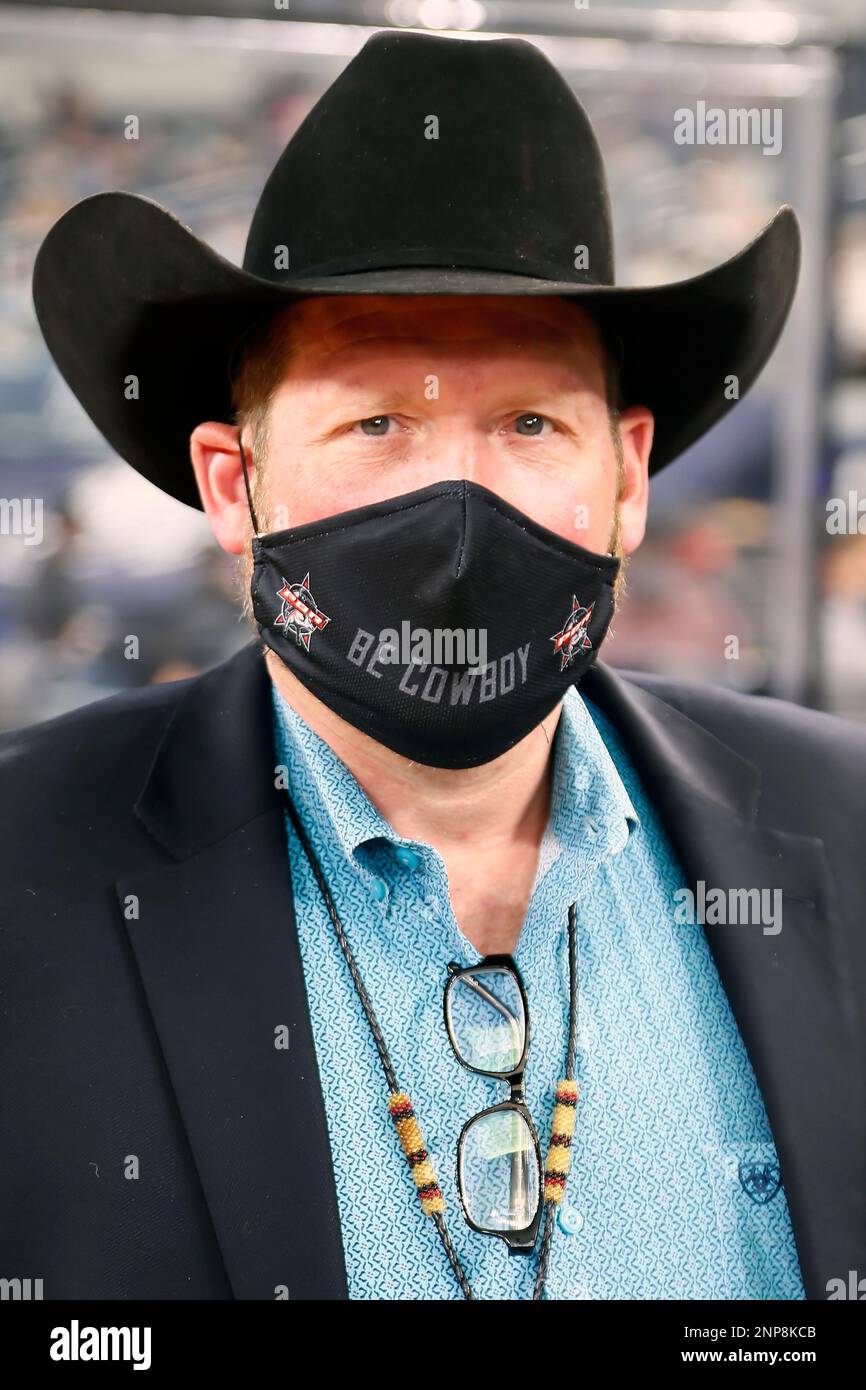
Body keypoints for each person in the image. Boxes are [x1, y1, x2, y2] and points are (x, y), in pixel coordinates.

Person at [2, 28, 864, 1302]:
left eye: (526, 422)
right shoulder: (27, 862)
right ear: (232, 487)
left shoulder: (843, 823)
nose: (454, 505)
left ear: (625, 477)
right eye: (375, 422)